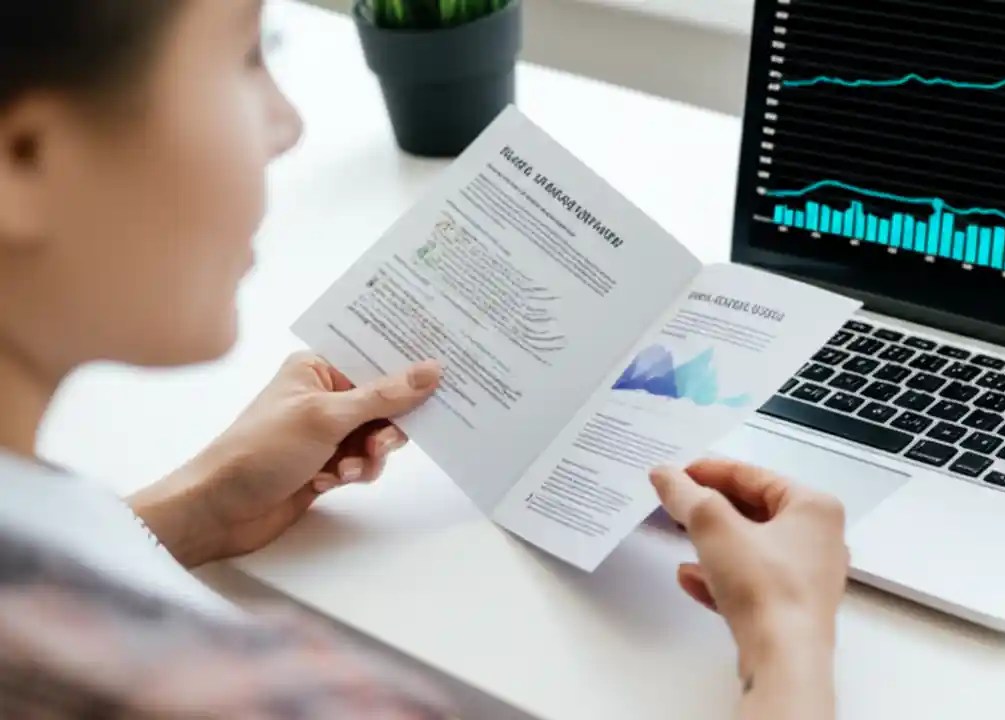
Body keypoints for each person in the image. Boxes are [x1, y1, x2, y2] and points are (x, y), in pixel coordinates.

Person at [0, 1, 850, 718]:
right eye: (243, 57)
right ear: (23, 159)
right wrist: (787, 636)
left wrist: (191, 511)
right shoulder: (264, 696)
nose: (286, 126)